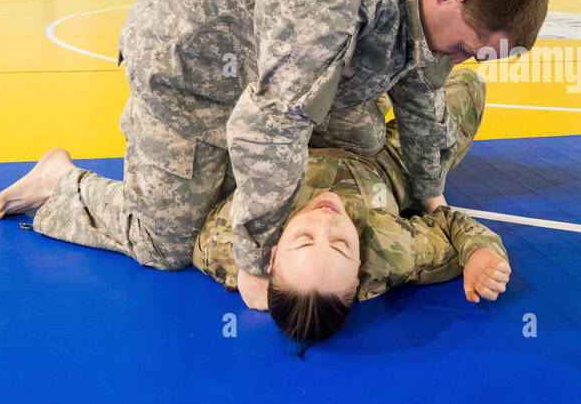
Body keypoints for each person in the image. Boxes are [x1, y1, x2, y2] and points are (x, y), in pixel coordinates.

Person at [0, 0, 549, 312]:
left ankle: (244, 177)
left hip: (283, 64)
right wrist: (256, 263)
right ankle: (61, 182)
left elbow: (422, 84)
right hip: (193, 74)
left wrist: (429, 191)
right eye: (466, 47)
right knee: (167, 244)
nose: (463, 58)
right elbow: (271, 123)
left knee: (367, 140)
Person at [195, 68, 510, 347]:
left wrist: (244, 274)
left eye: (304, 238)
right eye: (341, 244)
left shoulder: (234, 241)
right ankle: (387, 82)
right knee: (468, 84)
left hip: (304, 136)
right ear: (359, 271)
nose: (324, 222)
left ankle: (376, 84)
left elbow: (201, 243)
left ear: (273, 254)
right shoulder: (391, 252)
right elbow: (451, 226)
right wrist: (480, 254)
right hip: (387, 163)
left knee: (332, 72)